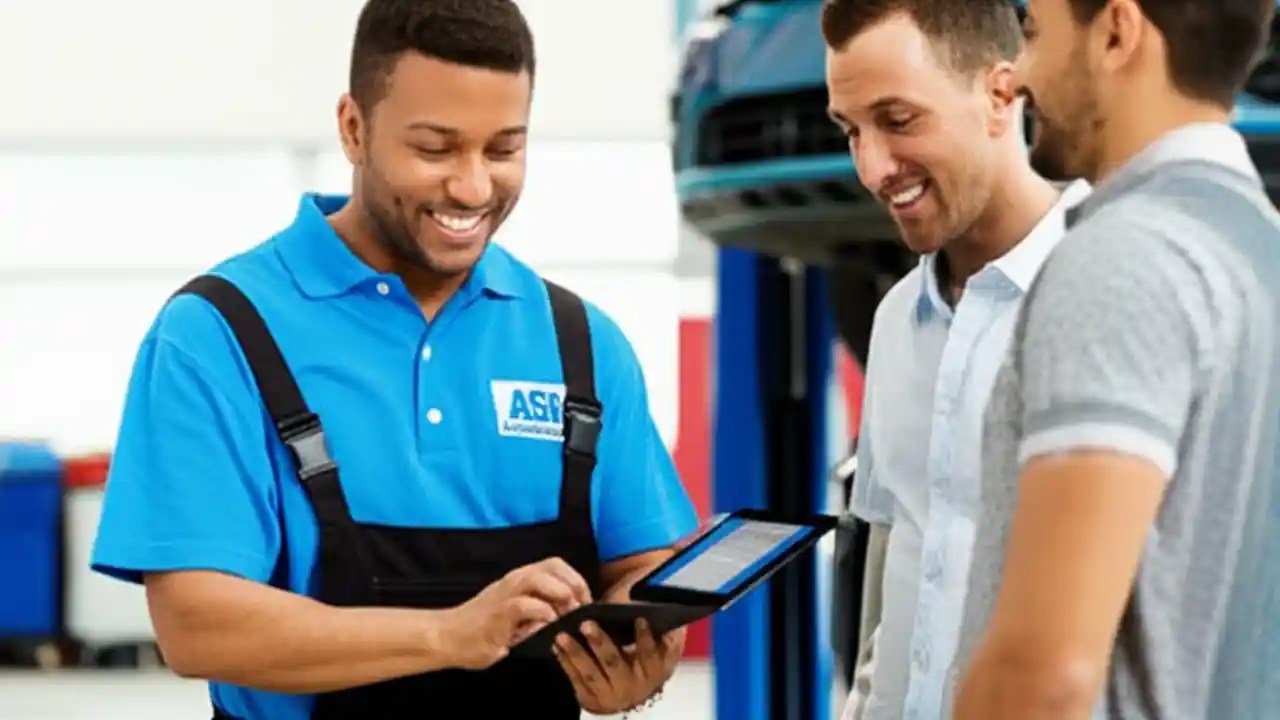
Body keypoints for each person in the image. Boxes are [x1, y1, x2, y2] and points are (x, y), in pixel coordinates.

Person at [88, 1, 698, 718]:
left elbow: (644, 565)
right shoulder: (216, 336)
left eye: (503, 149)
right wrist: (449, 634)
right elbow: (195, 625)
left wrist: (635, 654)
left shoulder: (581, 345)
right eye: (435, 149)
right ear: (353, 127)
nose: (473, 187)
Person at [952, 1, 1280, 718]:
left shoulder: (1125, 260)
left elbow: (1046, 675)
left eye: (1032, 32)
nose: (1014, 75)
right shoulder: (1260, 250)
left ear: (1115, 33)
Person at [819, 1, 1090, 718]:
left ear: (1001, 95)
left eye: (898, 121)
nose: (873, 168)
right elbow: (894, 573)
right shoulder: (896, 323)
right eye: (852, 132)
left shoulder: (1111, 292)